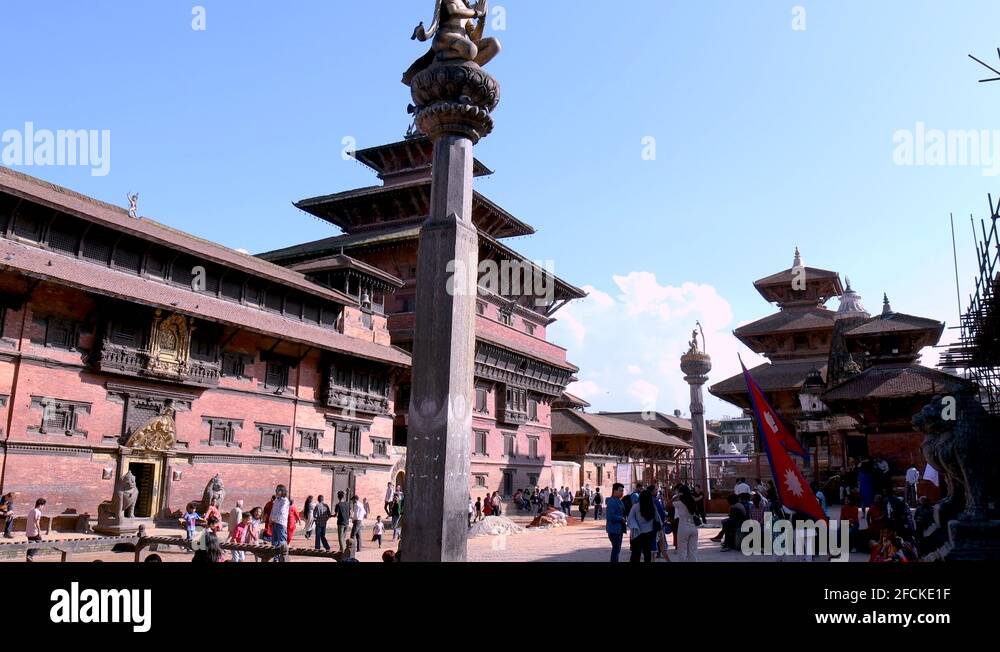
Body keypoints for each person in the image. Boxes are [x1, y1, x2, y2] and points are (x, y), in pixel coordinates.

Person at [627, 487, 662, 563]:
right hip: (649, 533)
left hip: (637, 533)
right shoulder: (652, 507)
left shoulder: (635, 507)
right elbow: (657, 519)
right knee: (647, 553)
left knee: (636, 554)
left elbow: (630, 519)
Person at [672, 484, 699, 562]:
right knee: (693, 551)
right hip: (693, 526)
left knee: (682, 551)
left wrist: (677, 496)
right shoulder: (693, 501)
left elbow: (668, 504)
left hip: (683, 526)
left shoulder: (680, 503)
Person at [605, 483, 627, 563]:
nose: (622, 493)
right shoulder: (611, 502)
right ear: (614, 491)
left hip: (619, 529)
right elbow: (611, 516)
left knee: (617, 550)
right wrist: (621, 518)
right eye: (620, 491)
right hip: (614, 530)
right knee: (616, 550)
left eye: (622, 491)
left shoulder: (619, 501)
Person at [269, 485, 290, 561]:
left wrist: (274, 519)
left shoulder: (285, 501)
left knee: (281, 541)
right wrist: (270, 519)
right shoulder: (276, 500)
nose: (276, 491)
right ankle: (276, 558)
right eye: (276, 490)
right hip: (274, 523)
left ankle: (283, 557)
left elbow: (281, 512)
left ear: (282, 491)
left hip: (281, 523)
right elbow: (273, 510)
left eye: (278, 490)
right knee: (274, 542)